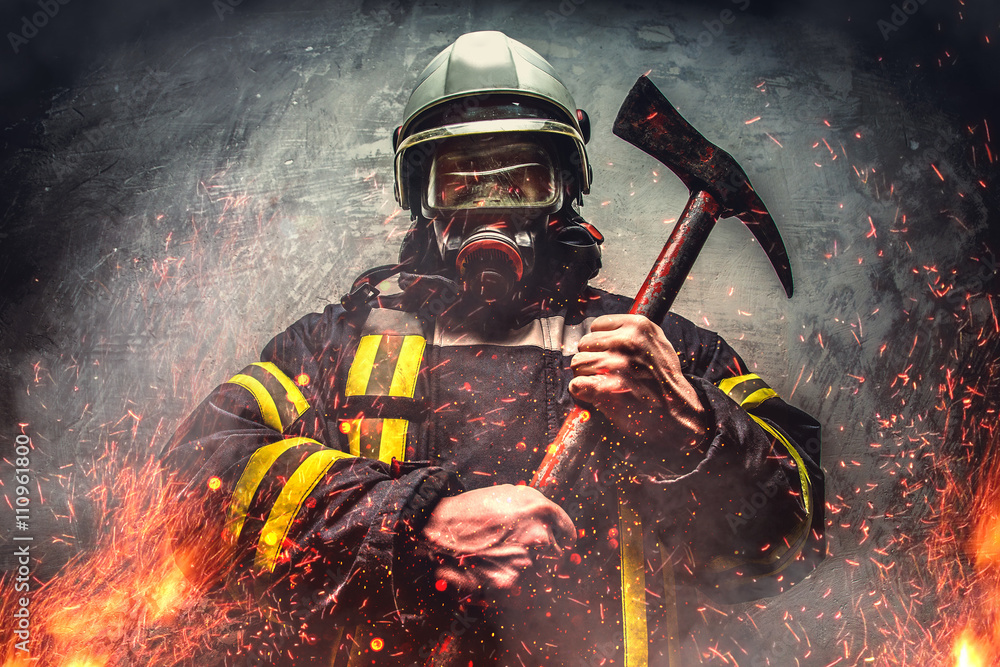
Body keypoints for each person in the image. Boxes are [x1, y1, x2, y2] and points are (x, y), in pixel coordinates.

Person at [161, 30, 824, 667]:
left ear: (562, 188)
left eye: (519, 180)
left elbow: (799, 530)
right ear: (421, 196)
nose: (492, 212)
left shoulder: (657, 352)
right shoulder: (333, 347)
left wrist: (690, 425)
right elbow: (190, 482)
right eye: (462, 182)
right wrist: (419, 517)